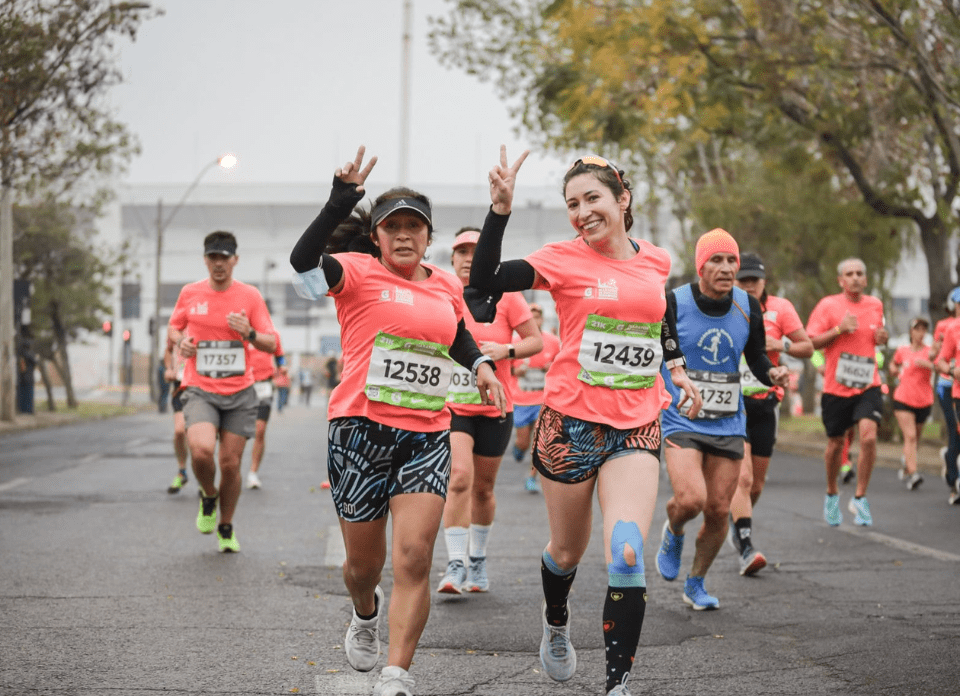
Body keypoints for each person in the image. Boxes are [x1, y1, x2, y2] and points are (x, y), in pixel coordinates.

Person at [467, 148, 702, 696]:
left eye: (592, 198)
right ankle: (555, 619)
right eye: (572, 204)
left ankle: (617, 684)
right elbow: (484, 279)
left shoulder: (657, 260)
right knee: (566, 552)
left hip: (637, 424)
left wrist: (676, 366)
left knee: (625, 550)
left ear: (622, 199)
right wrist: (498, 211)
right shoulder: (560, 259)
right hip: (570, 424)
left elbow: (658, 312)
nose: (582, 212)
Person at [289, 146, 505, 696]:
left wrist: (480, 364)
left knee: (415, 557)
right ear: (379, 236)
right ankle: (365, 611)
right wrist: (339, 203)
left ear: (427, 236)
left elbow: (456, 334)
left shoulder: (444, 284)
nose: (404, 236)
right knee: (365, 566)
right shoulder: (354, 273)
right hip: (359, 429)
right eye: (394, 227)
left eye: (414, 226)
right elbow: (301, 260)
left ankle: (397, 673)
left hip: (426, 434)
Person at [655, 232, 790, 609]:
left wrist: (773, 375)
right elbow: (662, 354)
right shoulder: (674, 302)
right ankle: (674, 527)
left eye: (731, 261)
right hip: (683, 417)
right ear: (701, 266)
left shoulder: (748, 306)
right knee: (691, 499)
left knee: (717, 509)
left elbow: (758, 358)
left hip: (729, 421)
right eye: (717, 261)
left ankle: (695, 583)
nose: (727, 268)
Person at [437, 227, 542, 595]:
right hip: (453, 406)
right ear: (451, 259)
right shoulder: (442, 291)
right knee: (459, 477)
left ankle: (477, 561)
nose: (468, 258)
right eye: (461, 251)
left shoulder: (508, 296)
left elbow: (535, 341)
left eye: (476, 250)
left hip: (496, 406)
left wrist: (505, 351)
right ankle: (454, 564)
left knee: (483, 489)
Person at [168, 230, 278, 553]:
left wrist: (250, 332)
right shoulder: (190, 294)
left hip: (240, 392)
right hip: (200, 388)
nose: (219, 263)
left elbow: (271, 342)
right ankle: (208, 494)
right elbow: (174, 327)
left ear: (235, 260)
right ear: (205, 260)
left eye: (225, 257)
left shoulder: (250, 296)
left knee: (230, 464)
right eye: (213, 257)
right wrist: (181, 342)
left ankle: (226, 526)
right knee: (201, 450)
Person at [728, 252, 813, 575]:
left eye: (755, 280)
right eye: (743, 280)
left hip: (766, 403)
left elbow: (807, 347)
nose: (749, 285)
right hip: (733, 404)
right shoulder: (727, 306)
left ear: (764, 282)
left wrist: (782, 345)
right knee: (744, 476)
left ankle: (738, 521)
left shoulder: (781, 308)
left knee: (757, 484)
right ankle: (747, 546)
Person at [806, 258, 888, 526]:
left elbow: (878, 336)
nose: (854, 278)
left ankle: (860, 497)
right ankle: (832, 493)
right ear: (841, 280)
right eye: (849, 274)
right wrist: (839, 330)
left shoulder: (875, 305)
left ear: (865, 279)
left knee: (868, 438)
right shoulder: (828, 306)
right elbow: (810, 343)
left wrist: (882, 339)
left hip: (868, 384)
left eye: (859, 273)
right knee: (835, 445)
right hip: (836, 387)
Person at [511, 302, 561, 494]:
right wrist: (517, 370)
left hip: (544, 399)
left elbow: (563, 367)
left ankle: (532, 477)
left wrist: (552, 368)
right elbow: (506, 370)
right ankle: (519, 448)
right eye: (531, 317)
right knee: (524, 442)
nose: (535, 320)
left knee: (542, 442)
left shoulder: (553, 342)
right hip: (522, 399)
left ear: (542, 319)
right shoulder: (515, 341)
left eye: (538, 316)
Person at [890, 317, 934, 491]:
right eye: (917, 329)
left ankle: (906, 462)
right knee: (910, 437)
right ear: (911, 332)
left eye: (924, 330)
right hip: (903, 399)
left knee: (915, 438)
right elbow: (894, 364)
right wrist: (893, 369)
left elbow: (938, 364)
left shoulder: (929, 352)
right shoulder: (902, 351)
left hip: (924, 401)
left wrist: (928, 364)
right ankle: (914, 473)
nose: (921, 333)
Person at [246, 334, 286, 489]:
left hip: (264, 386)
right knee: (236, 433)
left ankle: (253, 472)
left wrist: (282, 366)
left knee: (260, 430)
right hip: (243, 385)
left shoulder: (272, 335)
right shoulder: (240, 328)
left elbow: (280, 355)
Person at [931, 287, 960, 503]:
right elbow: (939, 359)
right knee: (955, 436)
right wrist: (951, 370)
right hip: (952, 390)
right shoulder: (951, 328)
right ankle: (953, 483)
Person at [163, 337, 190, 494]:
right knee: (179, 431)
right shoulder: (176, 325)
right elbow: (168, 350)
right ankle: (182, 471)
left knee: (197, 437)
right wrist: (169, 369)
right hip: (180, 388)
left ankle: (204, 478)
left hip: (201, 386)